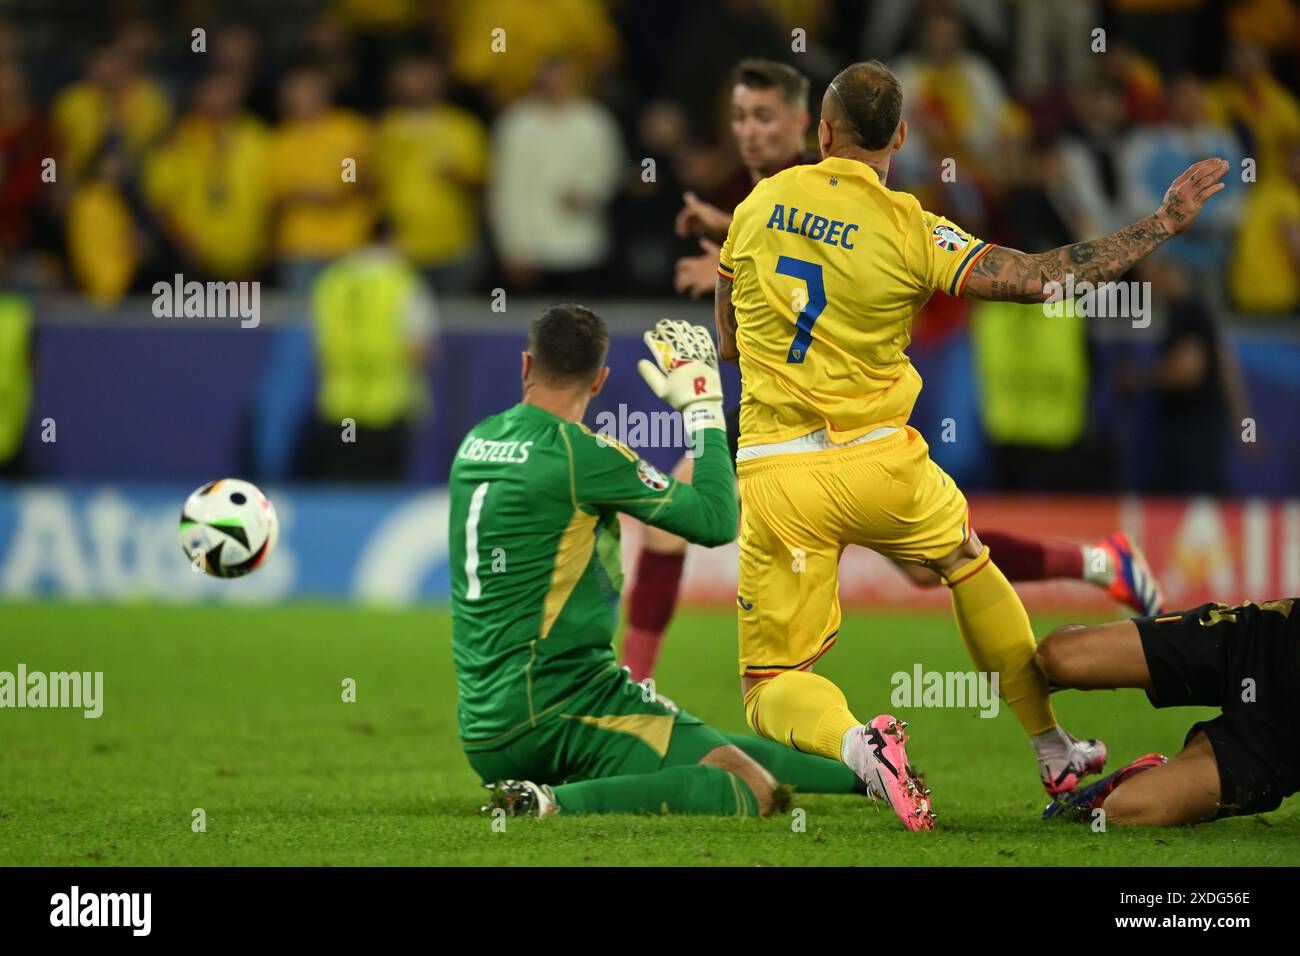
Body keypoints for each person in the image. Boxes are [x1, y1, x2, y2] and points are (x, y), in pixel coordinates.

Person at [714, 59, 1227, 796]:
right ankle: (1053, 749)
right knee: (965, 561)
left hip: (776, 469)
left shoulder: (758, 205)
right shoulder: (913, 229)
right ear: (902, 134)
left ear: (822, 132)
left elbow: (728, 338)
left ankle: (864, 750)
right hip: (880, 463)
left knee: (772, 683)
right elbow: (1041, 277)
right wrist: (1162, 223)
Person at [621, 59, 1164, 683]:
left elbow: (816, 255)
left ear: (809, 126)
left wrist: (727, 275)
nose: (749, 130)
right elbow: (803, 246)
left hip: (829, 422)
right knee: (929, 558)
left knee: (913, 565)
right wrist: (727, 250)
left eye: (764, 116)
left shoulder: (817, 189)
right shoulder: (772, 194)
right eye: (739, 116)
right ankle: (1098, 565)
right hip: (790, 418)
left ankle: (637, 692)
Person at [449, 306, 924, 825]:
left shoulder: (476, 443)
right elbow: (718, 521)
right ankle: (548, 802)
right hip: (567, 707)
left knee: (708, 742)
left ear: (525, 365)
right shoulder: (583, 456)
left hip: (486, 729)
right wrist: (703, 411)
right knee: (753, 787)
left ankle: (869, 775)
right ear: (601, 379)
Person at [1037, 598, 1298, 826]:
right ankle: (1019, 674)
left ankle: (1141, 773)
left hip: (1283, 741)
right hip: (1265, 642)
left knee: (1123, 810)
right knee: (1056, 657)